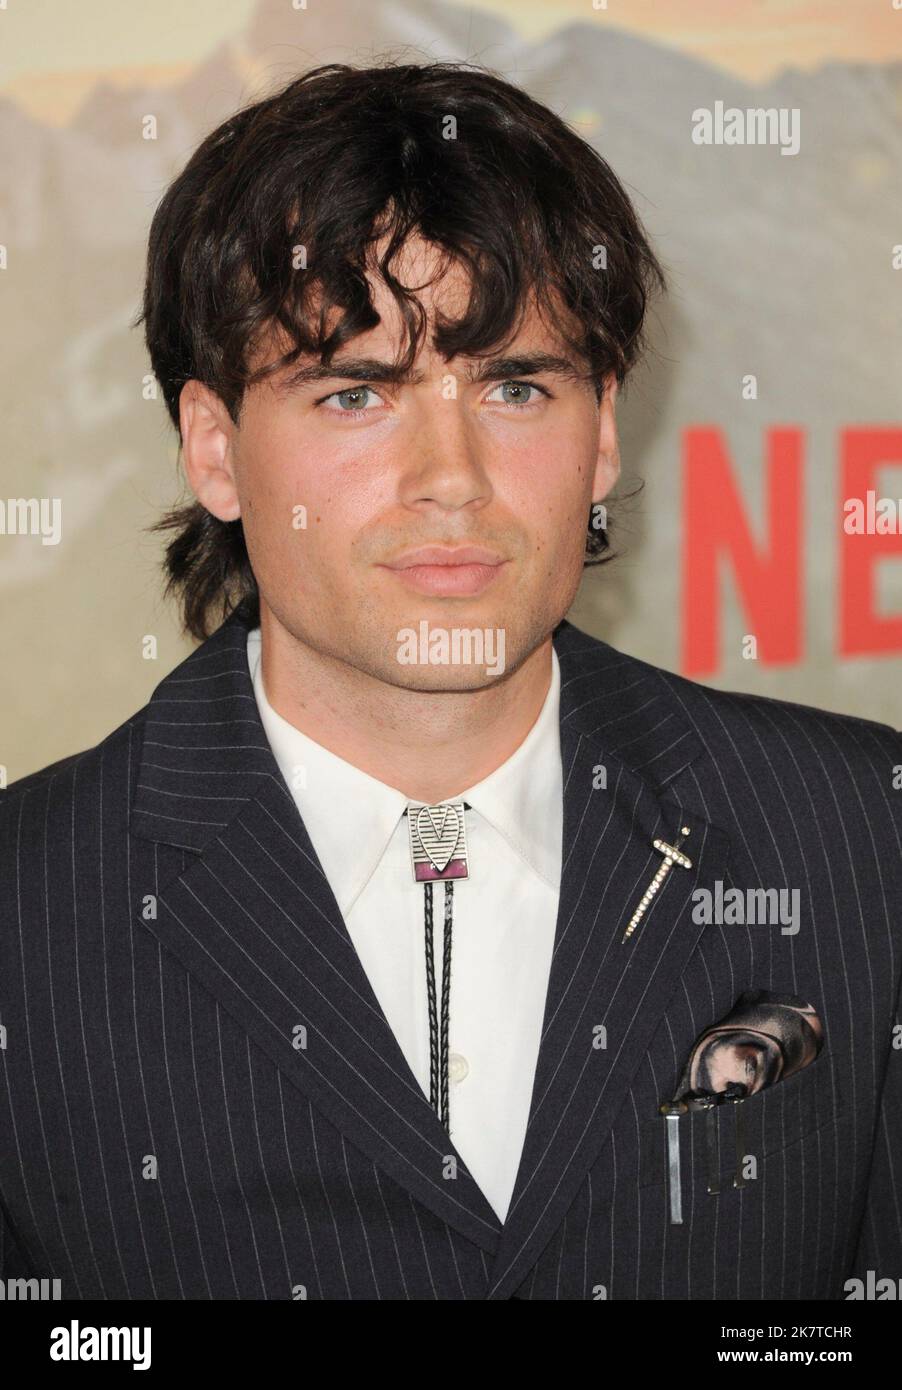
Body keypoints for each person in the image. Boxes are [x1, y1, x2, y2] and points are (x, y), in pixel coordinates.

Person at [1, 61, 900, 1302]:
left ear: (597, 436)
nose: (452, 475)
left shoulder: (865, 833)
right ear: (213, 448)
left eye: (515, 387)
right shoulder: (25, 913)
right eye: (357, 392)